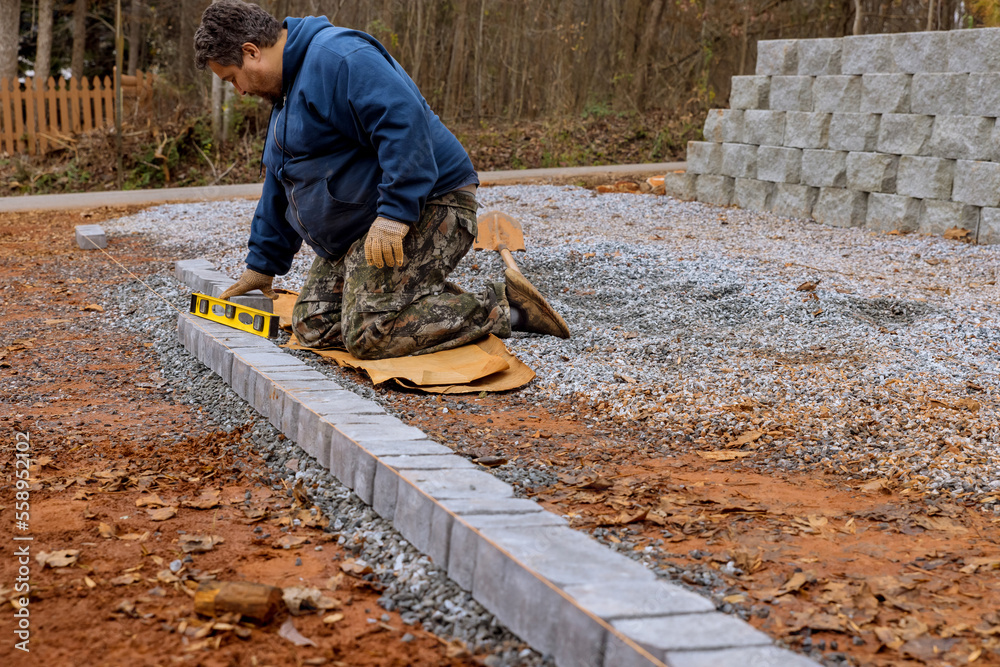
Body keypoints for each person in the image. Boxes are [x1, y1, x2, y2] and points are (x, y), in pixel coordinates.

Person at [193, 0, 569, 360]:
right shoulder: (285, 98)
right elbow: (281, 185)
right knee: (313, 325)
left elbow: (404, 123)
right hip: (366, 225)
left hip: (433, 203)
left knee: (368, 332)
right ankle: (410, 293)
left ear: (251, 51)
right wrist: (262, 266)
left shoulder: (338, 57)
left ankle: (508, 308)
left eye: (233, 78)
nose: (239, 91)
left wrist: (395, 215)